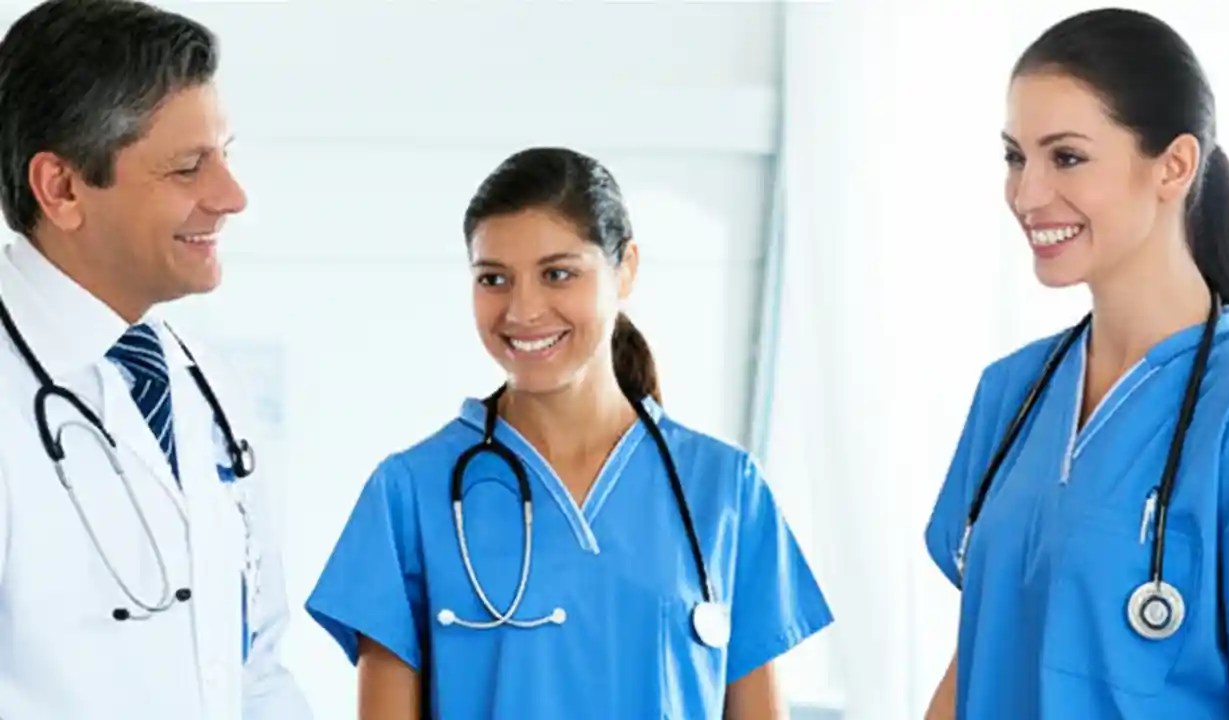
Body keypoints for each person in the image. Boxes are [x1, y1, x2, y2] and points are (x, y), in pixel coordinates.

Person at [306, 146, 834, 719]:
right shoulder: (409, 493)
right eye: (494, 278)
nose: (523, 308)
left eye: (558, 274)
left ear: (625, 268)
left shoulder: (725, 490)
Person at [923, 8, 1229, 720]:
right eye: (1015, 156)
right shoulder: (1013, 393)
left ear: (1174, 165)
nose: (1027, 195)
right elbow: (982, 657)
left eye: (1067, 157)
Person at [0, 1, 310, 718]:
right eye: (186, 168)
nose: (231, 196)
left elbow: (251, 666)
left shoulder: (202, 377)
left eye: (225, 155)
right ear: (64, 188)